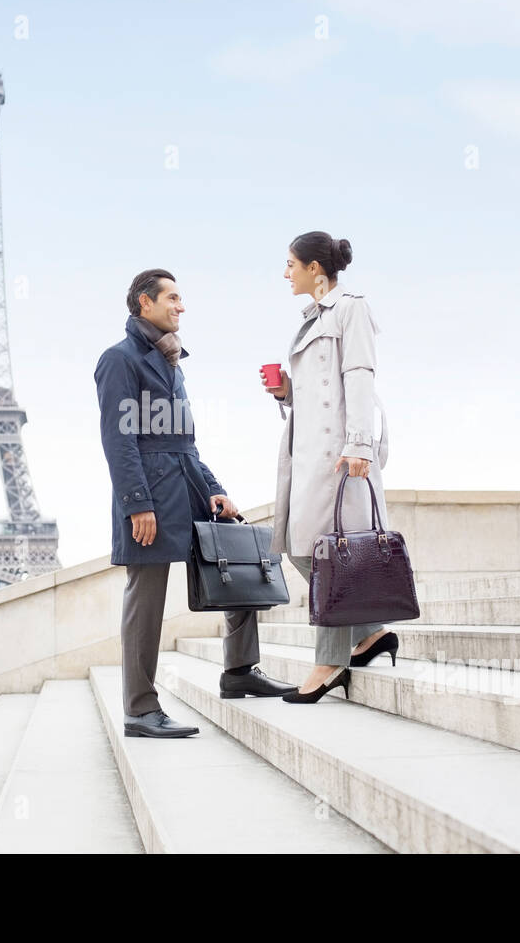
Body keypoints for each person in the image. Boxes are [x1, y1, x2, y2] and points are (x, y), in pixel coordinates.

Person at [95, 268, 297, 738]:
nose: (181, 306)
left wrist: (213, 488)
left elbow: (186, 444)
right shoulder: (119, 359)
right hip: (149, 498)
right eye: (172, 298)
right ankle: (140, 710)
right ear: (144, 303)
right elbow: (118, 440)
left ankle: (240, 670)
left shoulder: (171, 362)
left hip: (186, 486)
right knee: (145, 602)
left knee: (242, 562)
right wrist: (136, 503)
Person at [261, 232, 400, 704]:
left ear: (315, 268)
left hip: (342, 459)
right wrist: (286, 394)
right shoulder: (310, 318)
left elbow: (359, 376)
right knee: (300, 548)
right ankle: (370, 632)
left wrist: (360, 444)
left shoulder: (351, 308)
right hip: (308, 460)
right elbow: (320, 392)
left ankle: (327, 665)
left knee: (322, 555)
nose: (286, 274)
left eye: (291, 265)